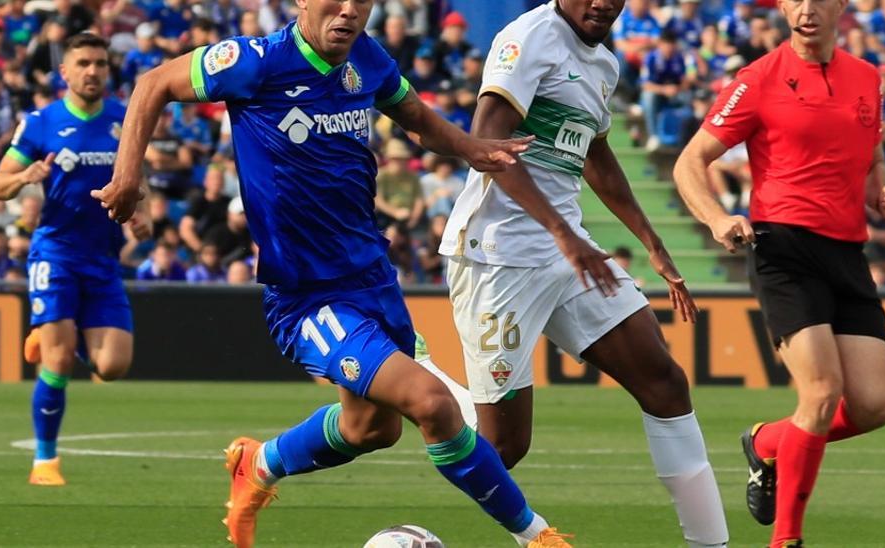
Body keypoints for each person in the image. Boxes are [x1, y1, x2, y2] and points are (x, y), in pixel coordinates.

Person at [92, 2, 572, 546]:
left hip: (371, 275)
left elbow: (415, 117)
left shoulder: (366, 59)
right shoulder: (254, 62)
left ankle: (259, 462)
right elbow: (153, 82)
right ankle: (537, 536)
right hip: (307, 296)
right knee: (432, 403)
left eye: (361, 0)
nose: (348, 11)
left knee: (371, 428)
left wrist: (472, 148)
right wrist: (128, 177)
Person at [439, 1, 727, 546]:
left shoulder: (603, 65)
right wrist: (562, 233)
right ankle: (427, 389)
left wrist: (652, 241)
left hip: (566, 251)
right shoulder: (529, 37)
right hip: (497, 256)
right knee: (503, 448)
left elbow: (596, 155)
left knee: (664, 381)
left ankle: (710, 543)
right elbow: (486, 140)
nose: (602, 2)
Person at [671, 0, 885, 542]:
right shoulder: (758, 79)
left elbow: (870, 157)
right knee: (822, 392)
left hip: (847, 254)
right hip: (782, 247)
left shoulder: (867, 78)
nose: (806, 9)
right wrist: (715, 217)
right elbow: (690, 161)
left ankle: (766, 444)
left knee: (875, 405)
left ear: (841, 6)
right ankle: (786, 539)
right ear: (782, 7)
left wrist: (884, 196)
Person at [0, 33, 152, 487]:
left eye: (100, 63)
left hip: (101, 259)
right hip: (55, 253)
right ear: (65, 72)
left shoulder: (124, 120)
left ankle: (52, 333)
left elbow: (143, 183)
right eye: (83, 63)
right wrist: (25, 175)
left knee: (113, 367)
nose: (93, 71)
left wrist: (144, 218)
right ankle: (45, 460)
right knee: (58, 363)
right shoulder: (41, 123)